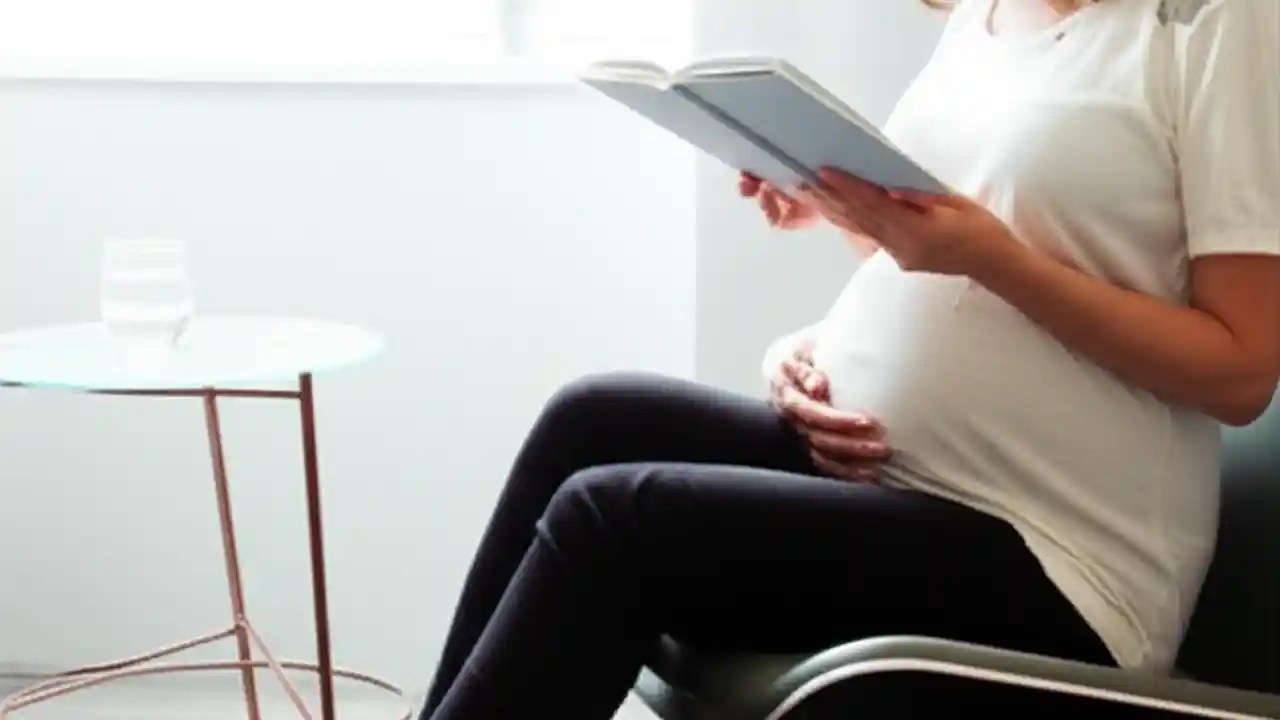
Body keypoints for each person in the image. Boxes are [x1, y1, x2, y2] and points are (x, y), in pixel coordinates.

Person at [419, 0, 1279, 716]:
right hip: (892, 475)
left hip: (1055, 550)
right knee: (593, 418)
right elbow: (948, 247)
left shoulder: (1214, 23)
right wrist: (817, 317)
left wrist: (993, 259)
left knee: (613, 520)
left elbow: (1242, 371)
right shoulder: (988, 14)